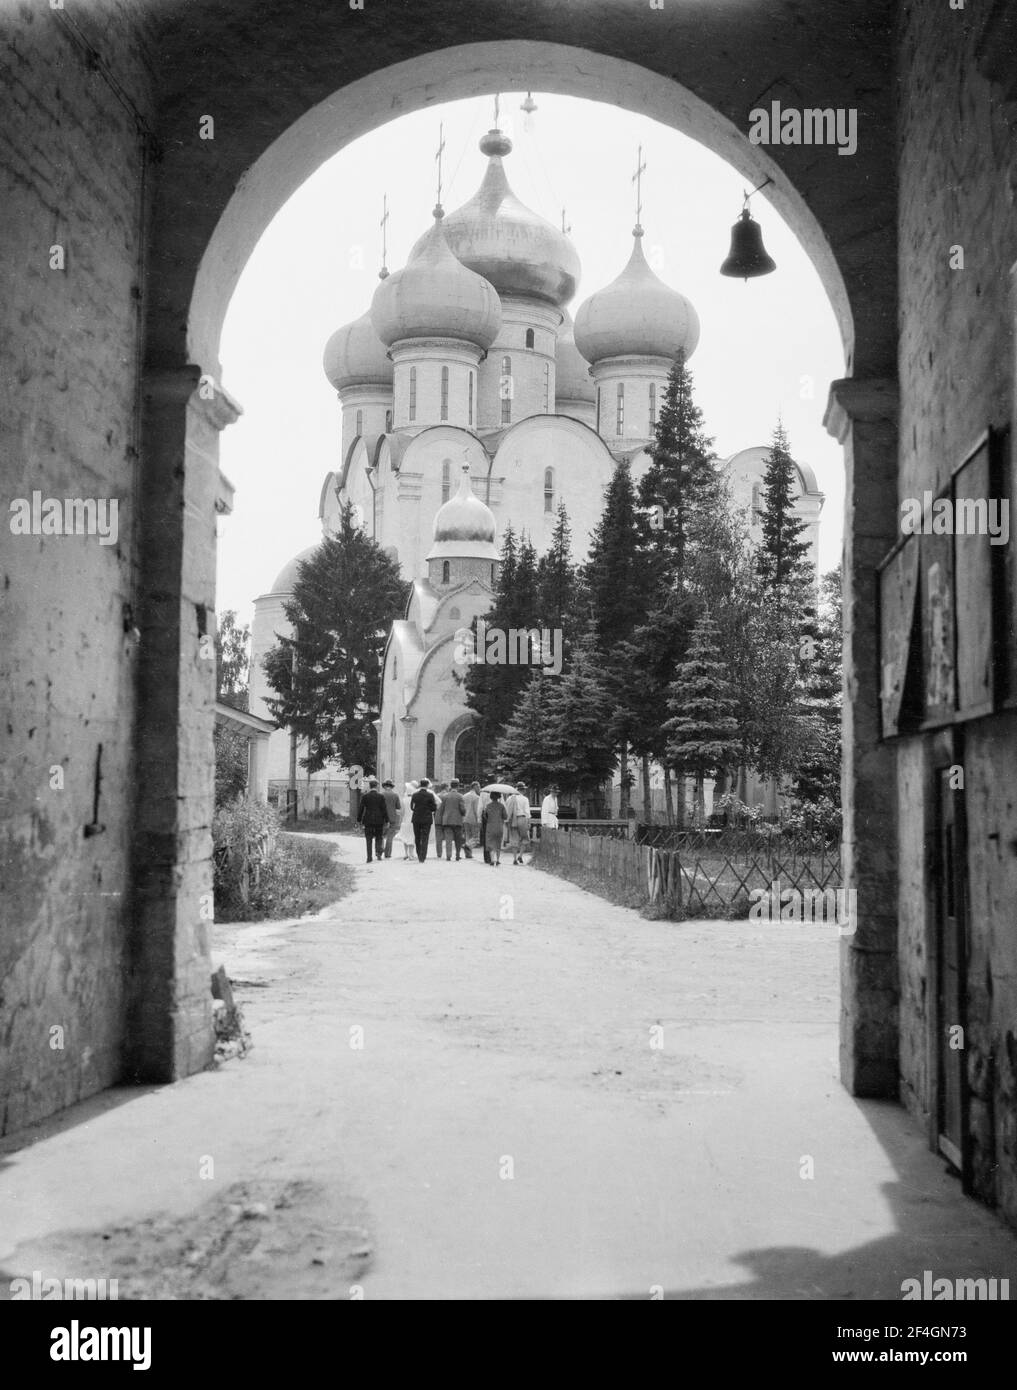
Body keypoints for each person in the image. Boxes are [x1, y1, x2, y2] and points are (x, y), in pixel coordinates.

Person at [357, 776, 390, 863]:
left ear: (370, 786)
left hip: (368, 820)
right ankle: (379, 854)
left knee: (368, 839)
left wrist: (359, 820)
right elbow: (384, 809)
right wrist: (387, 820)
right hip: (379, 820)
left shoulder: (365, 797)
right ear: (376, 786)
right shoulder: (381, 796)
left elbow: (361, 809)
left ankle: (369, 857)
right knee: (379, 837)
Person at [410, 778, 439, 862]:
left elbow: (412, 807)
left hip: (416, 818)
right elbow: (434, 807)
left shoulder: (415, 795)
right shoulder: (430, 795)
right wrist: (429, 809)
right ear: (427, 785)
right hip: (427, 818)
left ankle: (419, 854)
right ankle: (423, 856)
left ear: (420, 785)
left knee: (417, 837)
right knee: (425, 837)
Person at [439, 779, 468, 860]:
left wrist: (442, 820)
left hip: (447, 820)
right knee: (458, 839)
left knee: (448, 839)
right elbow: (462, 809)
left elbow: (442, 809)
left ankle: (448, 855)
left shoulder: (445, 796)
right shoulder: (460, 796)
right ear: (458, 786)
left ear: (451, 786)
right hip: (457, 820)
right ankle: (457, 855)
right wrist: (464, 813)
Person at [505, 782, 531, 864]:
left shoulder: (510, 798)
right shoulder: (525, 799)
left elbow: (507, 809)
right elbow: (527, 812)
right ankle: (520, 855)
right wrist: (528, 822)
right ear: (523, 790)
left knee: (514, 838)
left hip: (513, 820)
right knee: (525, 838)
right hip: (522, 818)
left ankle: (515, 858)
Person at [481, 789, 508, 866]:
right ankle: (498, 860)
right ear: (499, 796)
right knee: (498, 843)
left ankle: (492, 860)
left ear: (491, 797)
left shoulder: (488, 806)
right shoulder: (501, 806)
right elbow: (505, 817)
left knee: (490, 843)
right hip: (499, 826)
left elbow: (485, 816)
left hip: (490, 827)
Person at [396, 781, 418, 860]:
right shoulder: (415, 800)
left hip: (405, 820)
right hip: (413, 820)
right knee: (412, 837)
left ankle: (406, 853)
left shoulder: (403, 800)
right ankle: (411, 854)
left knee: (405, 837)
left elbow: (401, 812)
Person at [381, 780, 402, 859]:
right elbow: (398, 807)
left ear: (385, 786)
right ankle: (388, 854)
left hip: (382, 818)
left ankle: (380, 849)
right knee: (390, 837)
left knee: (381, 835)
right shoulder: (395, 795)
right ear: (391, 786)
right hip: (392, 818)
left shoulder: (381, 794)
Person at [463, 780, 481, 854]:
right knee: (476, 838)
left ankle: (468, 854)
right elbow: (476, 810)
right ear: (475, 787)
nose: (480, 789)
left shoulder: (464, 796)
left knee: (468, 836)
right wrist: (479, 820)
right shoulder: (476, 797)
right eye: (479, 787)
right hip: (473, 819)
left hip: (465, 819)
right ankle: (466, 845)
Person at [432, 782, 447, 856]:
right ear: (446, 787)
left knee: (438, 838)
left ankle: (439, 853)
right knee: (448, 836)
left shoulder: (436, 796)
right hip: (446, 819)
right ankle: (448, 853)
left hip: (437, 818)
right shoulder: (447, 796)